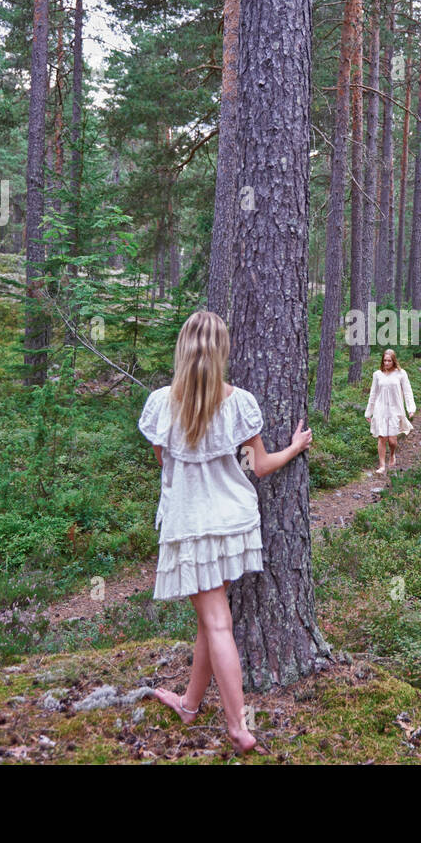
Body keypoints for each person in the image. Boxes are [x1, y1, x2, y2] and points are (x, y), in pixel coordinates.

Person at [137, 310, 312, 754]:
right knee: (210, 621)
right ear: (222, 351)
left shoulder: (162, 403)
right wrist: (294, 447)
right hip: (234, 522)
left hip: (190, 526)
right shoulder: (238, 402)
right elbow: (262, 465)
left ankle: (238, 726)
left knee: (216, 620)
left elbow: (164, 461)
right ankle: (190, 704)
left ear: (182, 349)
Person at [364, 348, 416, 474]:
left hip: (395, 409)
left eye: (389, 361)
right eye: (385, 360)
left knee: (392, 440)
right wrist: (368, 411)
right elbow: (373, 394)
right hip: (380, 409)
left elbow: (407, 391)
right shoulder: (377, 374)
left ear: (394, 361)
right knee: (382, 438)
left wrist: (410, 408)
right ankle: (382, 465)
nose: (386, 363)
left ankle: (392, 454)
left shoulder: (401, 373)